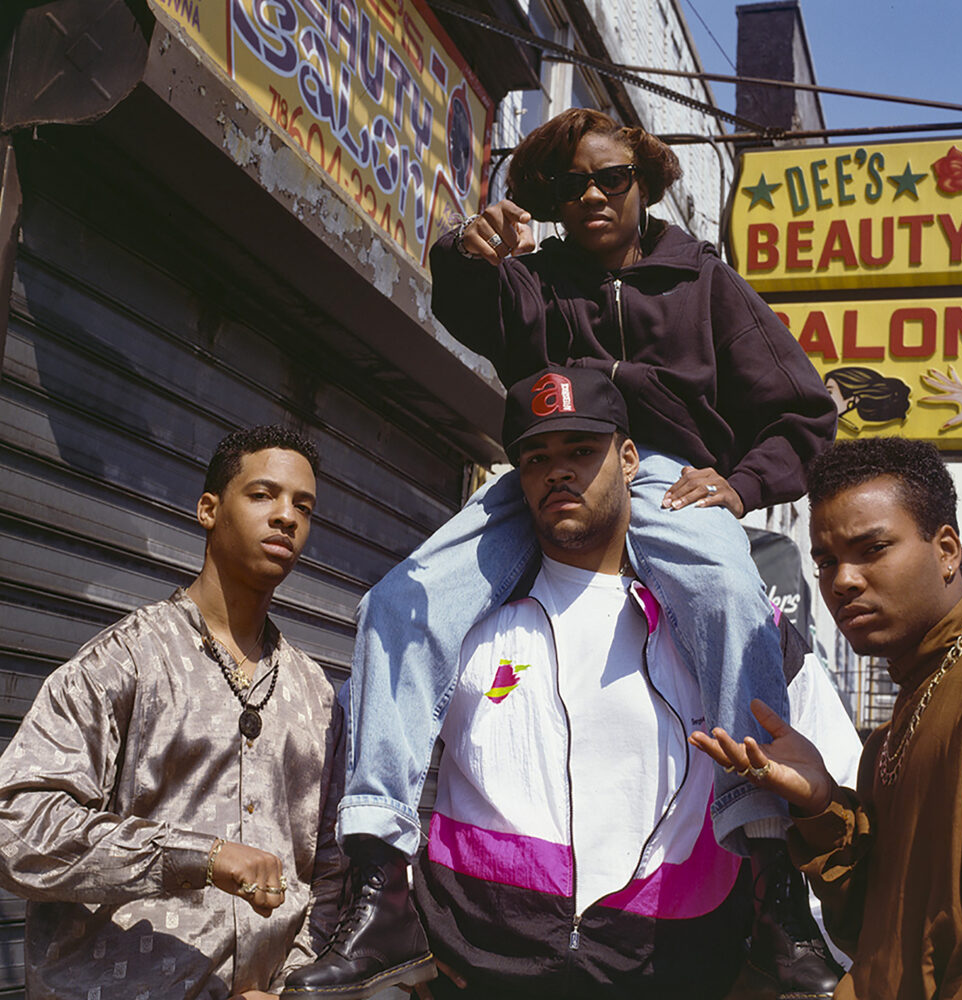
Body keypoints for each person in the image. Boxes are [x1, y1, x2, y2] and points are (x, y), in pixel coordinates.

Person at [287, 109, 838, 997]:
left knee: (736, 603)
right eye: (570, 184)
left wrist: (739, 485)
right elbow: (467, 305)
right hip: (544, 464)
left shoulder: (702, 281)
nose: (591, 195)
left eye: (611, 177)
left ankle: (773, 886)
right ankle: (382, 886)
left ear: (644, 182)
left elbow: (805, 410)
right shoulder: (533, 279)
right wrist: (468, 252)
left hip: (662, 475)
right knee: (397, 603)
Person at [287, 370, 855, 1000]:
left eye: (582, 451)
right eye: (537, 458)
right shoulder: (462, 621)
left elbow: (841, 794)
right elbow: (353, 764)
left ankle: (776, 899)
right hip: (475, 977)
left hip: (681, 975)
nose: (559, 472)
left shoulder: (747, 630)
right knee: (388, 609)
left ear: (630, 458)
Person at [0, 425, 345, 999]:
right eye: (263, 495)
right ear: (209, 509)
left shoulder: (316, 695)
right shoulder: (126, 661)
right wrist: (198, 857)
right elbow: (18, 826)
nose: (286, 516)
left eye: (302, 505)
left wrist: (291, 987)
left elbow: (330, 871)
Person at [690, 436, 962, 998]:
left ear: (947, 550)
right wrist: (821, 801)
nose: (842, 581)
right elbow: (874, 933)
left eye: (872, 549)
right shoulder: (894, 728)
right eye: (826, 561)